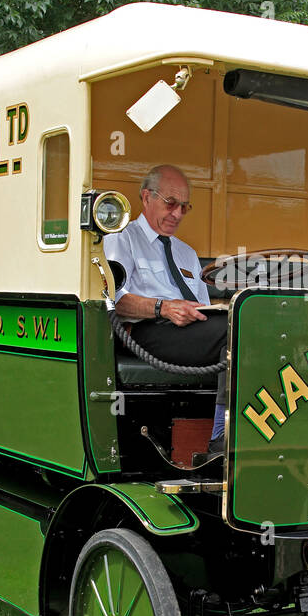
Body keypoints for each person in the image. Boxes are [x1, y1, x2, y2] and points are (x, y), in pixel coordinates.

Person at [104, 165, 227, 456]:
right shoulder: (121, 240)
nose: (177, 214)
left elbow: (201, 303)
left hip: (187, 330)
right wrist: (162, 307)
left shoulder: (187, 252)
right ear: (147, 197)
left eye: (185, 207)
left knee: (243, 324)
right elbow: (112, 299)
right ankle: (221, 438)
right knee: (231, 334)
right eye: (170, 204)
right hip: (146, 330)